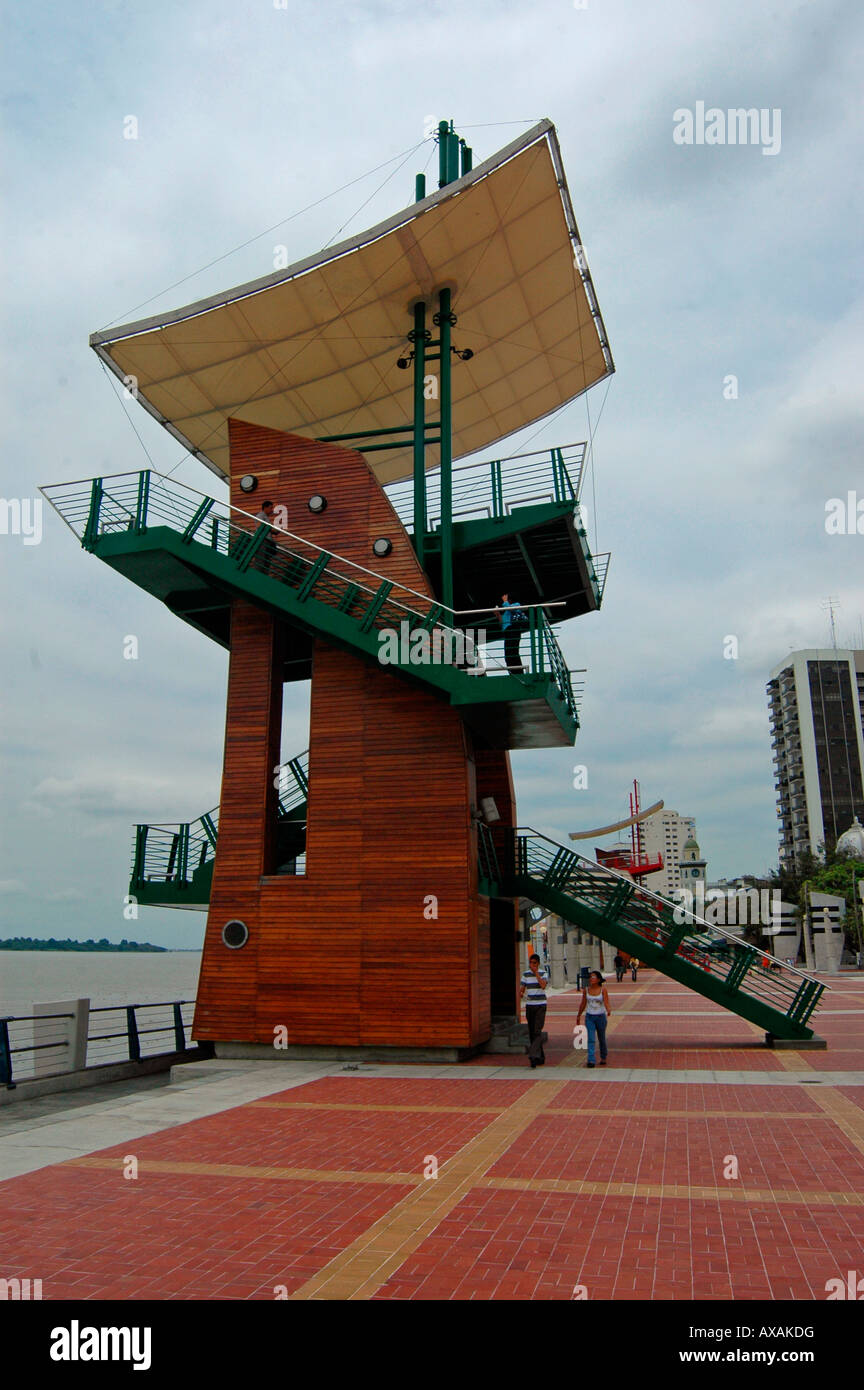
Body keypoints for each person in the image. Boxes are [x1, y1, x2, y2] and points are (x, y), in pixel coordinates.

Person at [577, 969, 611, 1068]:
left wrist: (609, 1010)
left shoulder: (603, 989)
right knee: (591, 1039)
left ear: (598, 979)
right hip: (590, 1017)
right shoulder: (586, 990)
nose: (591, 979)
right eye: (590, 977)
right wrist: (578, 1015)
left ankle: (603, 1056)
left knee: (602, 1038)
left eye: (593, 977)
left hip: (600, 1016)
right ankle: (591, 1060)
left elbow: (606, 1001)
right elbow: (583, 1003)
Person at [519, 952, 548, 1068]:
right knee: (532, 1031)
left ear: (538, 963)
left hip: (541, 1005)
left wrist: (536, 973)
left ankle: (533, 1055)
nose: (532, 965)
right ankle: (539, 1056)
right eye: (530, 963)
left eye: (534, 963)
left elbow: (543, 985)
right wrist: (521, 993)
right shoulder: (525, 974)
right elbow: (522, 988)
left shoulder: (543, 973)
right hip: (530, 1005)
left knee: (537, 1030)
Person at [496, 593, 526, 674]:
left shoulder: (517, 605)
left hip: (514, 630)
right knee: (508, 655)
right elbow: (502, 624)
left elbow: (512, 609)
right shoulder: (506, 612)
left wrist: (505, 602)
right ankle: (512, 672)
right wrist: (498, 614)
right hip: (508, 632)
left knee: (513, 652)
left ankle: (519, 672)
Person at [253, 499, 277, 573]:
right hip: (262, 540)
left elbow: (268, 528)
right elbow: (260, 526)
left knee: (266, 560)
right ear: (265, 508)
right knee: (261, 559)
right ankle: (258, 574)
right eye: (270, 508)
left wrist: (274, 531)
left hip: (267, 541)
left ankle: (264, 573)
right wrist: (271, 529)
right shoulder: (260, 515)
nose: (272, 510)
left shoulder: (266, 517)